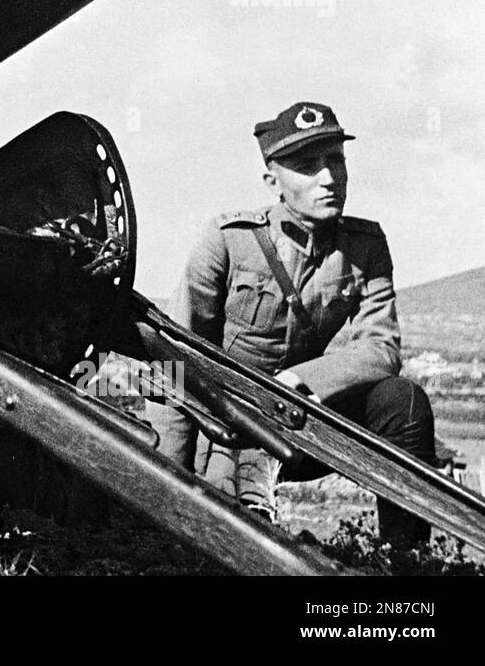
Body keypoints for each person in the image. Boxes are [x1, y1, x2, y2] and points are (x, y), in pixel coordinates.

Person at [148, 101, 435, 547]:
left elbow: (380, 348)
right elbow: (174, 363)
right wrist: (162, 486)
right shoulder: (229, 241)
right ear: (272, 181)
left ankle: (408, 561)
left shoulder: (366, 247)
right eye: (307, 166)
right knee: (227, 542)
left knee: (403, 401)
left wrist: (301, 380)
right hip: (234, 430)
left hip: (311, 425)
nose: (328, 178)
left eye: (335, 160)